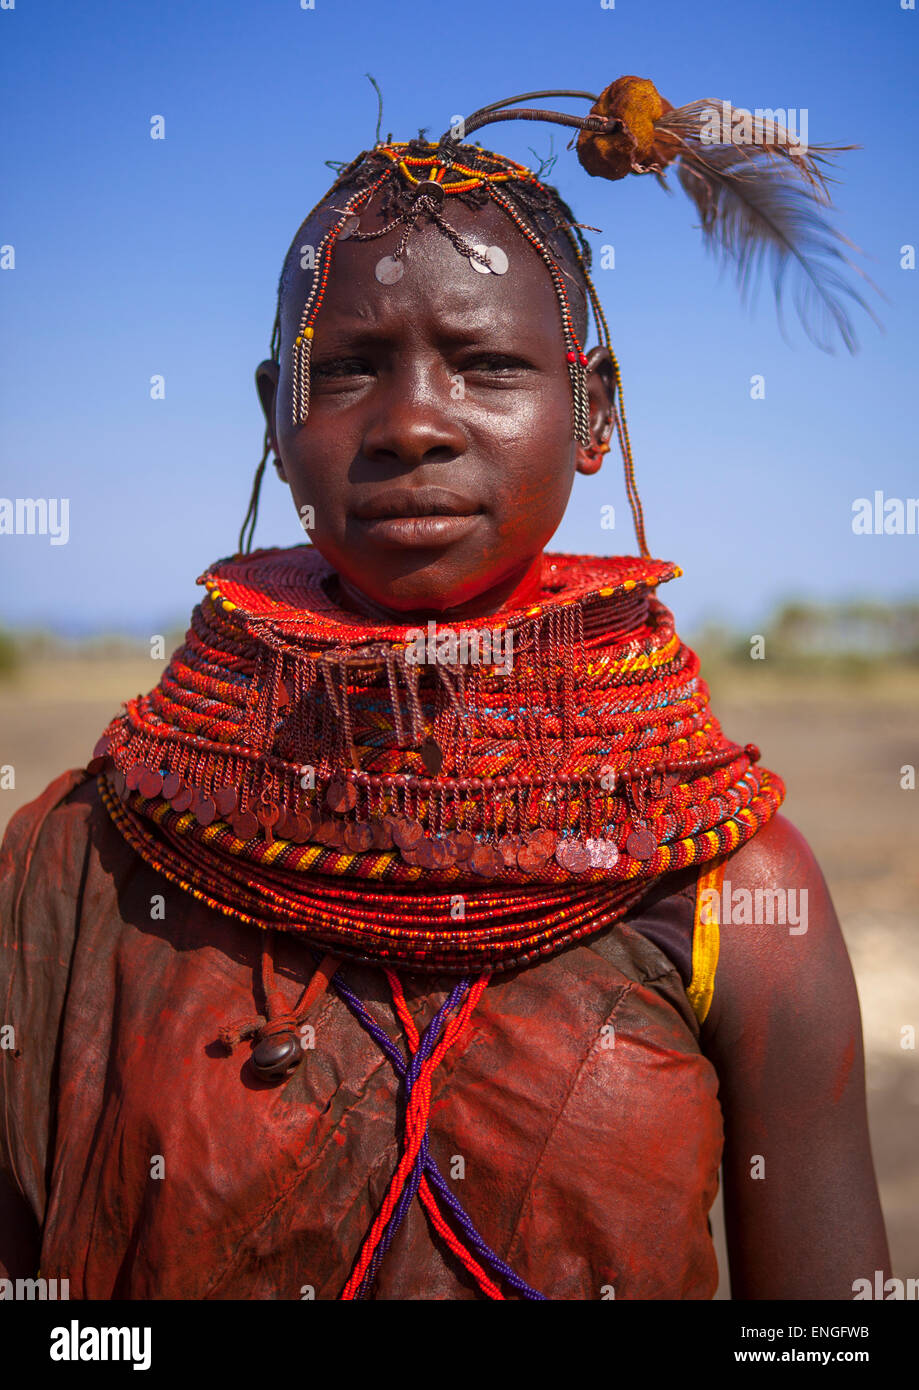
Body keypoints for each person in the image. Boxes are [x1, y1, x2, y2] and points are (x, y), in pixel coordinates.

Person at [0, 76, 890, 1300]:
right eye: (351, 368)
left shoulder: (731, 888)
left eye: (483, 364)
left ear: (593, 409)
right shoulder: (82, 859)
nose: (413, 422)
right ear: (276, 414)